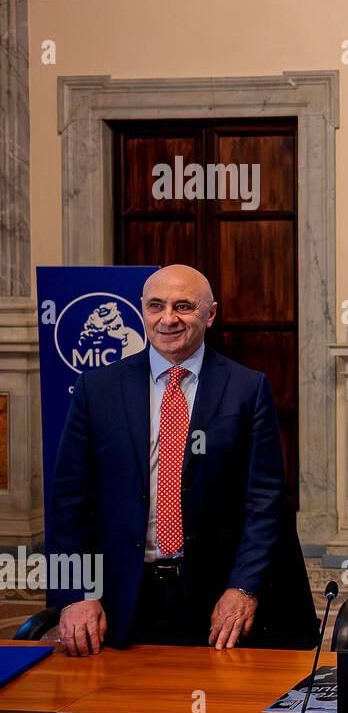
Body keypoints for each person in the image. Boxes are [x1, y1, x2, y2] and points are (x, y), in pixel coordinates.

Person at [47, 264, 317, 654]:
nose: (168, 318)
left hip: (216, 601)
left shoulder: (247, 388)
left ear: (210, 315)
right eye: (156, 305)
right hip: (120, 599)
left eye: (184, 306)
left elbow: (265, 504)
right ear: (141, 310)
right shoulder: (97, 389)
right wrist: (74, 594)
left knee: (220, 710)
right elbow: (68, 503)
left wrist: (243, 588)